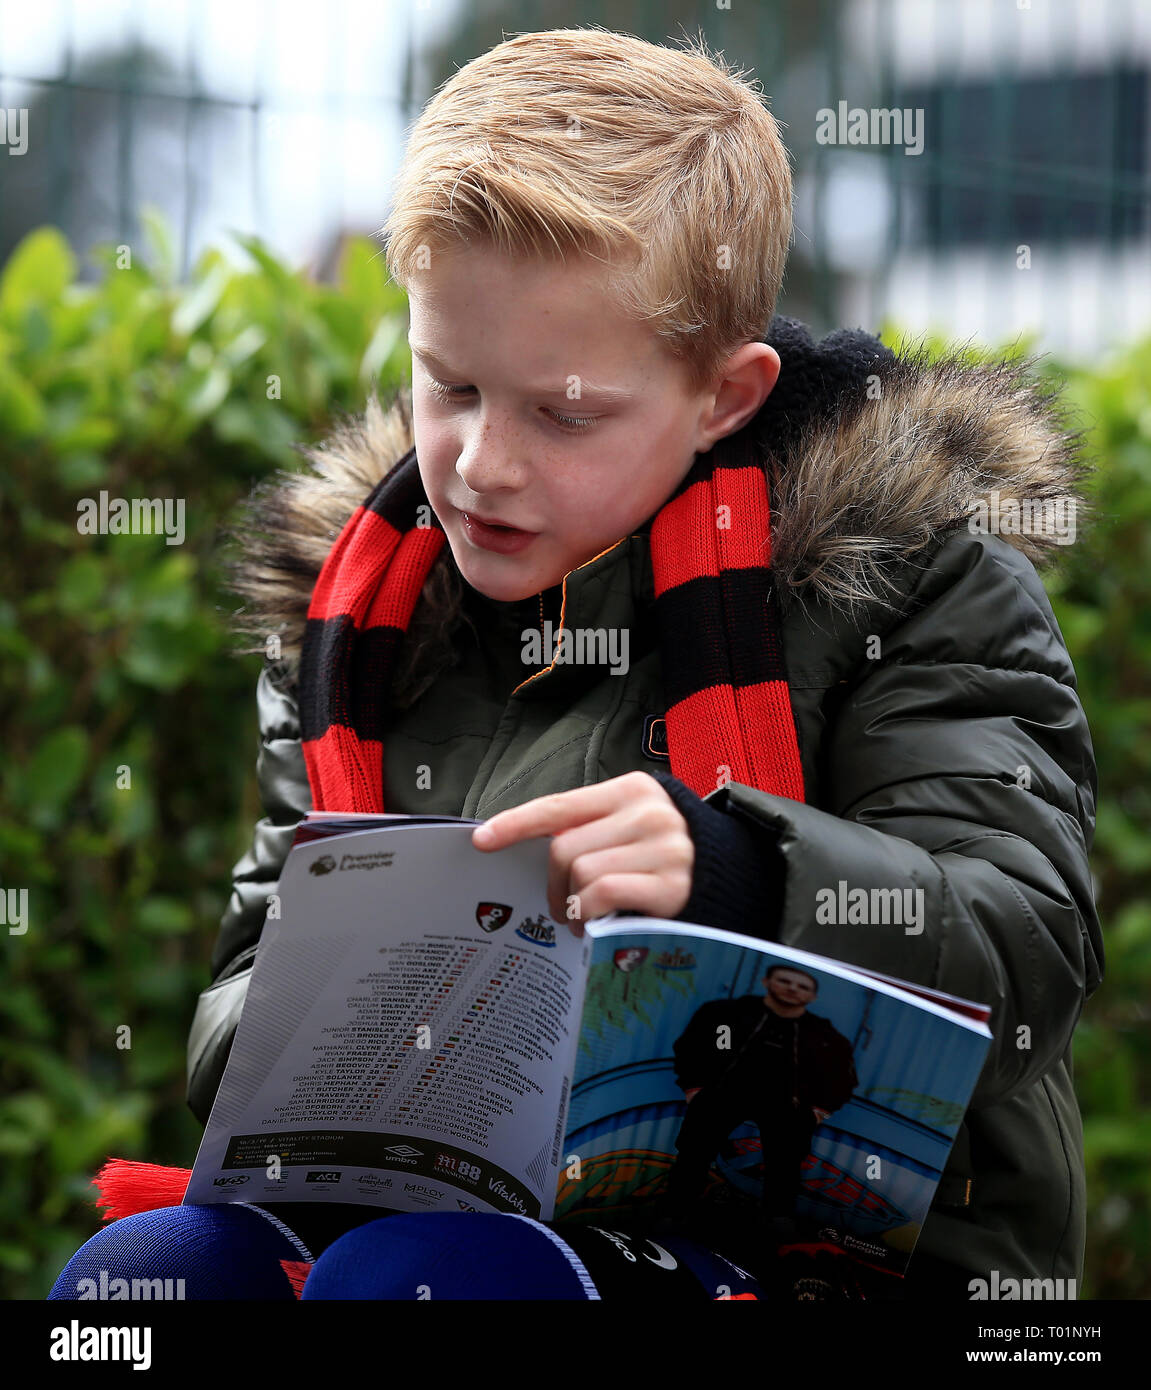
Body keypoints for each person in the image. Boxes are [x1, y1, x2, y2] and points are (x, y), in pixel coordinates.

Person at [48, 25, 1102, 1302]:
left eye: (563, 412)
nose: (483, 464)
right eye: (449, 387)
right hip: (422, 1214)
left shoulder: (898, 571)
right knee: (147, 1276)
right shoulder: (358, 616)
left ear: (725, 394)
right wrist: (334, 1008)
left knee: (435, 1281)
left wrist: (743, 875)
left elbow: (1030, 951)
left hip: (840, 1250)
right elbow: (230, 1025)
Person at [665, 967, 857, 1220]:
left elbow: (843, 1078)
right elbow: (691, 1047)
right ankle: (674, 1211)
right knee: (693, 1156)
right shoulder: (725, 1013)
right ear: (766, 981)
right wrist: (694, 1088)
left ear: (813, 998)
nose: (792, 988)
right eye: (784, 981)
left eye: (803, 987)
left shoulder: (825, 1037)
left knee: (785, 1170)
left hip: (787, 1106)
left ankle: (774, 1225)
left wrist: (819, 1111)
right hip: (723, 1094)